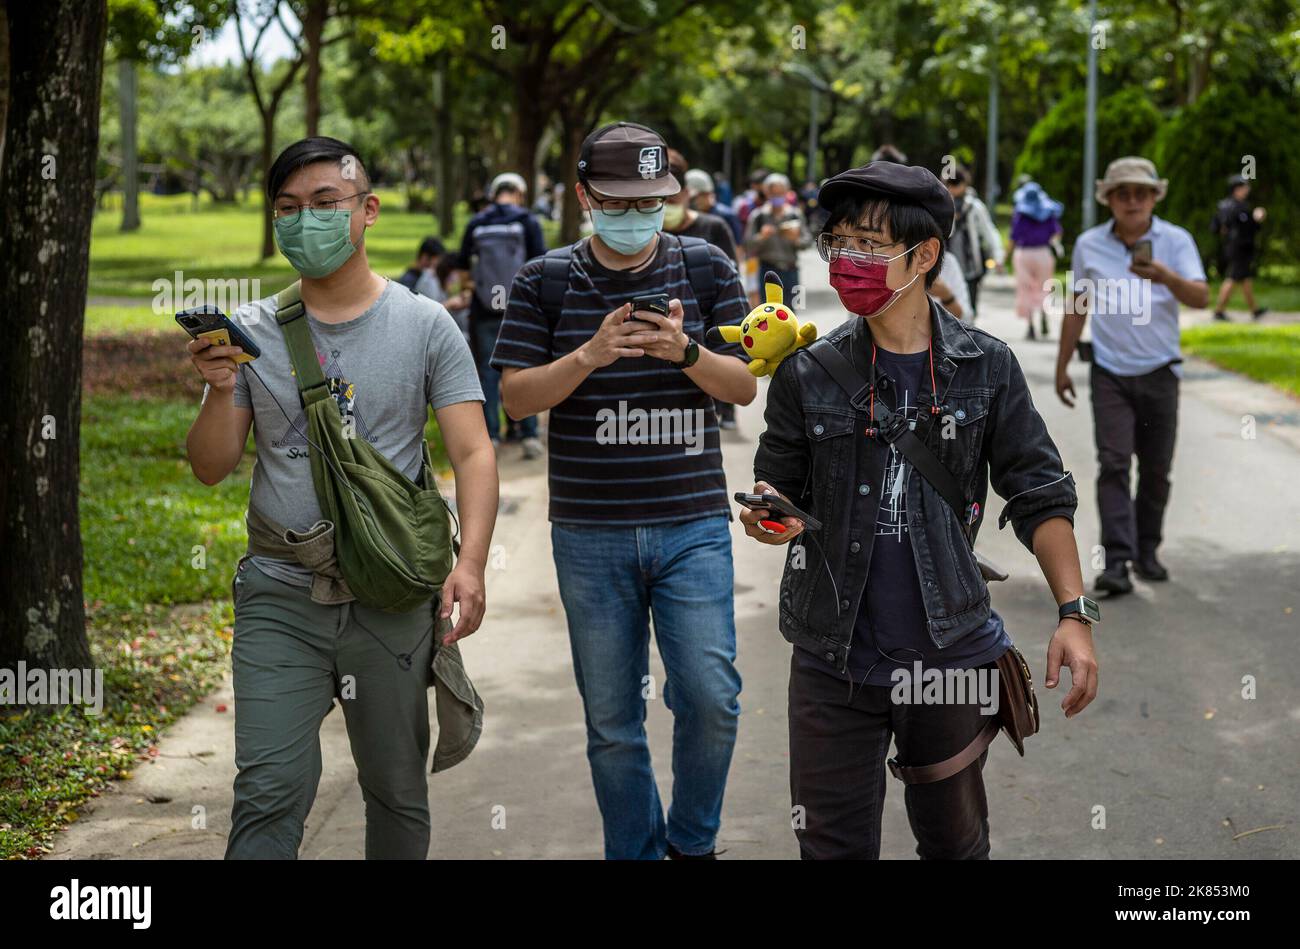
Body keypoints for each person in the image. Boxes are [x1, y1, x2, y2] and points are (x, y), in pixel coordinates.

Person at [744, 160, 1099, 860]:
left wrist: (1073, 613)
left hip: (950, 652)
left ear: (926, 253)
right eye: (837, 243)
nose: (848, 261)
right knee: (830, 847)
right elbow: (775, 490)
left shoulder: (987, 367)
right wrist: (767, 516)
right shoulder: (805, 372)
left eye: (869, 246)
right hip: (831, 656)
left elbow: (1040, 491)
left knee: (955, 845)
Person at [184, 136, 498, 859]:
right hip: (280, 593)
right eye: (288, 209)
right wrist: (220, 388)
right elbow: (210, 466)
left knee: (393, 788)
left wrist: (472, 562)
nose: (305, 221)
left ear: (368, 210)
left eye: (325, 203)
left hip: (389, 594)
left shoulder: (424, 324)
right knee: (268, 789)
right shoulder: (251, 331)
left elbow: (474, 449)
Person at [492, 121, 756, 860]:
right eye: (619, 201)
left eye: (653, 202)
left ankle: (691, 844)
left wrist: (686, 351)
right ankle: (634, 851)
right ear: (584, 197)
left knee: (710, 695)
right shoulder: (545, 279)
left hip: (691, 523)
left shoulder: (704, 266)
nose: (638, 215)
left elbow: (742, 384)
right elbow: (515, 399)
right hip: (590, 531)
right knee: (612, 720)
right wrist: (590, 352)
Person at [1055, 156, 1209, 595]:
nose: (1133, 200)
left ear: (1155, 196)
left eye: (1141, 192)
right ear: (1110, 200)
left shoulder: (1176, 240)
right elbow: (1077, 305)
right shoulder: (1089, 244)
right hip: (1110, 372)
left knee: (1157, 469)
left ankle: (1147, 550)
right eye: (1123, 193)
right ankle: (1117, 562)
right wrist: (1063, 365)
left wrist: (1164, 275)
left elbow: (1200, 296)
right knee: (1114, 463)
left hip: (1161, 370)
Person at [457, 171, 548, 458]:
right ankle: (529, 435)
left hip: (484, 308)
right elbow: (540, 267)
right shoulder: (528, 221)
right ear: (519, 193)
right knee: (524, 368)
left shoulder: (477, 222)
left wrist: (476, 287)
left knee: (487, 371)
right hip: (520, 309)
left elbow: (463, 270)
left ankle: (492, 436)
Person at [669, 155, 742, 431]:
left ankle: (727, 411)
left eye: (672, 200)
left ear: (687, 195)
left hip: (712, 314)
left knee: (723, 358)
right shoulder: (648, 233)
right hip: (674, 323)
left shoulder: (713, 227)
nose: (665, 209)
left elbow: (732, 270)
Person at [943, 164, 1004, 319]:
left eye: (956, 185)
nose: (954, 189)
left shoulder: (974, 207)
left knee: (968, 311)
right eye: (950, 185)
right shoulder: (942, 206)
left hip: (970, 268)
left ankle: (967, 340)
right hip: (946, 267)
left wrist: (998, 256)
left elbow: (989, 232)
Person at [1008, 178, 1064, 340]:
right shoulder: (1048, 213)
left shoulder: (1020, 214)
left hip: (1024, 254)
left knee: (1025, 289)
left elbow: (1013, 237)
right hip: (1043, 254)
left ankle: (1031, 325)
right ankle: (1044, 315)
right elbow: (1057, 232)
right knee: (1044, 288)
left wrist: (1004, 257)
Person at [743, 172, 812, 303]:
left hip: (791, 270)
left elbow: (807, 241)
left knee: (792, 312)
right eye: (773, 193)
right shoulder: (758, 216)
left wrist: (796, 240)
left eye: (780, 193)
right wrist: (761, 237)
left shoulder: (795, 215)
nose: (777, 197)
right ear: (766, 193)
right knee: (769, 313)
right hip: (767, 270)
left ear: (786, 192)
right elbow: (747, 245)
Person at [1211, 174, 1268, 321]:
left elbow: (1215, 227)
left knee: (1245, 279)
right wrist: (1256, 218)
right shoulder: (1238, 207)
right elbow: (1249, 228)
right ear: (1236, 189)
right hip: (1240, 248)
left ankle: (1254, 310)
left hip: (1232, 246)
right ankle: (1218, 311)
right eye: (1244, 187)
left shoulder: (1223, 205)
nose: (1247, 190)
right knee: (1233, 277)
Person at [686, 166, 743, 244]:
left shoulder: (727, 216)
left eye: (695, 198)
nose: (692, 202)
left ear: (708, 193)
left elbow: (737, 248)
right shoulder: (687, 218)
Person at [397, 236, 448, 302]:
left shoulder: (431, 275)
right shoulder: (409, 279)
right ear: (422, 256)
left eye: (435, 264)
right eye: (429, 260)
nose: (432, 267)